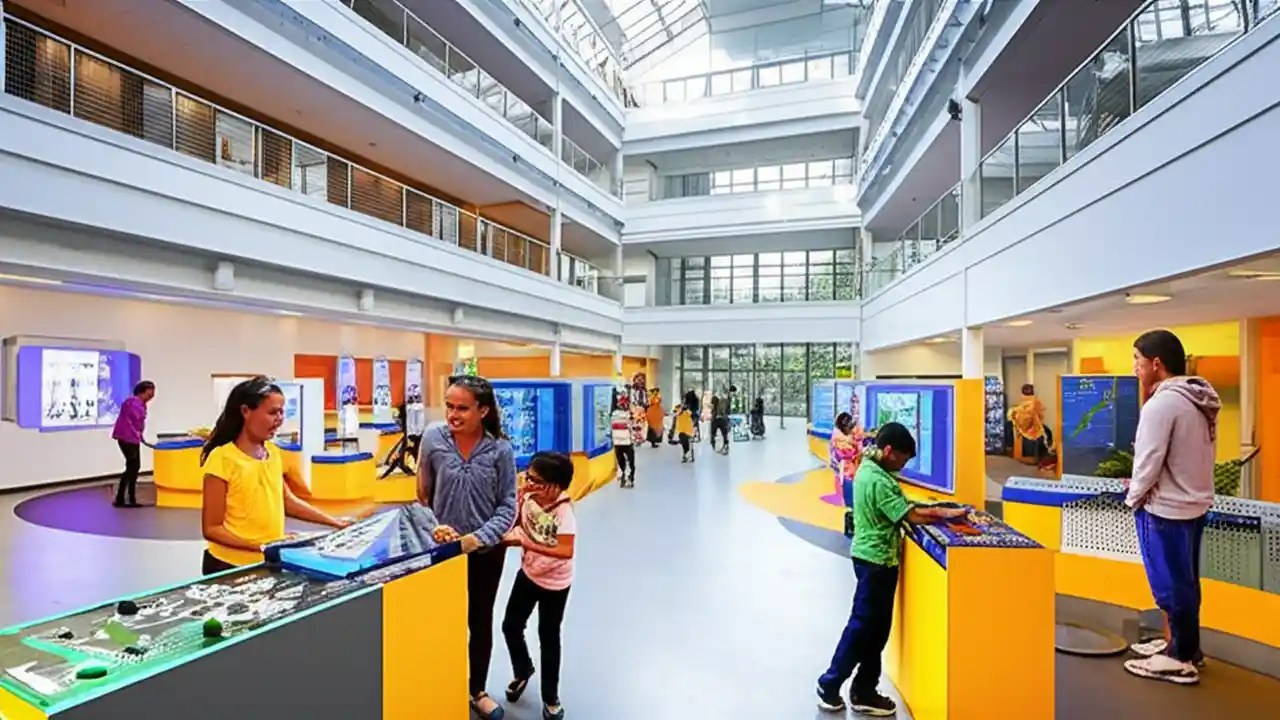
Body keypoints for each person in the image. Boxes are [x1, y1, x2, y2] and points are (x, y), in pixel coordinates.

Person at [817, 423, 967, 715]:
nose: (904, 464)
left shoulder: (870, 470)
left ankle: (864, 690)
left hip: (872, 559)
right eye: (903, 458)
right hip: (876, 563)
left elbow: (896, 506)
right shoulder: (879, 480)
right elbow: (910, 514)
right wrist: (945, 513)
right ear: (889, 451)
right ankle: (830, 683)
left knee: (875, 631)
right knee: (862, 628)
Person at [418, 375, 518, 720]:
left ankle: (476, 690)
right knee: (441, 620)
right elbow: (423, 493)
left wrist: (478, 538)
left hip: (484, 554)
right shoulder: (432, 438)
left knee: (479, 619)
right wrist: (437, 528)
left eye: (462, 408)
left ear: (483, 410)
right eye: (449, 406)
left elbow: (508, 505)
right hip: (441, 551)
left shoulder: (500, 450)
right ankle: (441, 684)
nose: (453, 414)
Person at [1123, 329, 1219, 686]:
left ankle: (1179, 658)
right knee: (1186, 583)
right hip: (1194, 504)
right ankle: (1185, 646)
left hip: (1164, 509)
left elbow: (1148, 461)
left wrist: (1133, 498)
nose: (1135, 367)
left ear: (1156, 364)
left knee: (1169, 585)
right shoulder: (1198, 399)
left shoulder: (1161, 404)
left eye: (1138, 360)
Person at [200, 377, 348, 575]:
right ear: (245, 411)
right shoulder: (222, 459)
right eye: (272, 412)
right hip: (229, 566)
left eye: (281, 411)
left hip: (269, 561)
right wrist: (260, 546)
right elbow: (212, 528)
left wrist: (336, 522)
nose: (279, 419)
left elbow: (286, 501)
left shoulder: (274, 453)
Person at [501, 452, 578, 720]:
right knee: (510, 625)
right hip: (529, 573)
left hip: (555, 583)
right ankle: (523, 669)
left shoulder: (563, 511)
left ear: (553, 486)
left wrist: (525, 543)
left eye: (534, 479)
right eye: (528, 475)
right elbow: (521, 523)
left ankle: (551, 697)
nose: (527, 481)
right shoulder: (530, 498)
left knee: (549, 637)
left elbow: (566, 549)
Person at [111, 380, 155, 508]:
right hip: (127, 438)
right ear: (141, 392)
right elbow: (133, 422)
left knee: (134, 467)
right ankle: (122, 498)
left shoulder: (141, 404)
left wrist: (140, 436)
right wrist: (138, 435)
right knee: (132, 467)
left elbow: (138, 424)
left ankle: (130, 498)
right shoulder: (133, 403)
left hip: (132, 438)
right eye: (149, 392)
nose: (151, 395)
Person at [611, 389, 636, 488]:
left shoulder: (614, 414)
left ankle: (625, 476)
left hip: (619, 441)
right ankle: (628, 477)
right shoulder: (628, 414)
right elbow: (633, 425)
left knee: (622, 461)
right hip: (625, 441)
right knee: (630, 461)